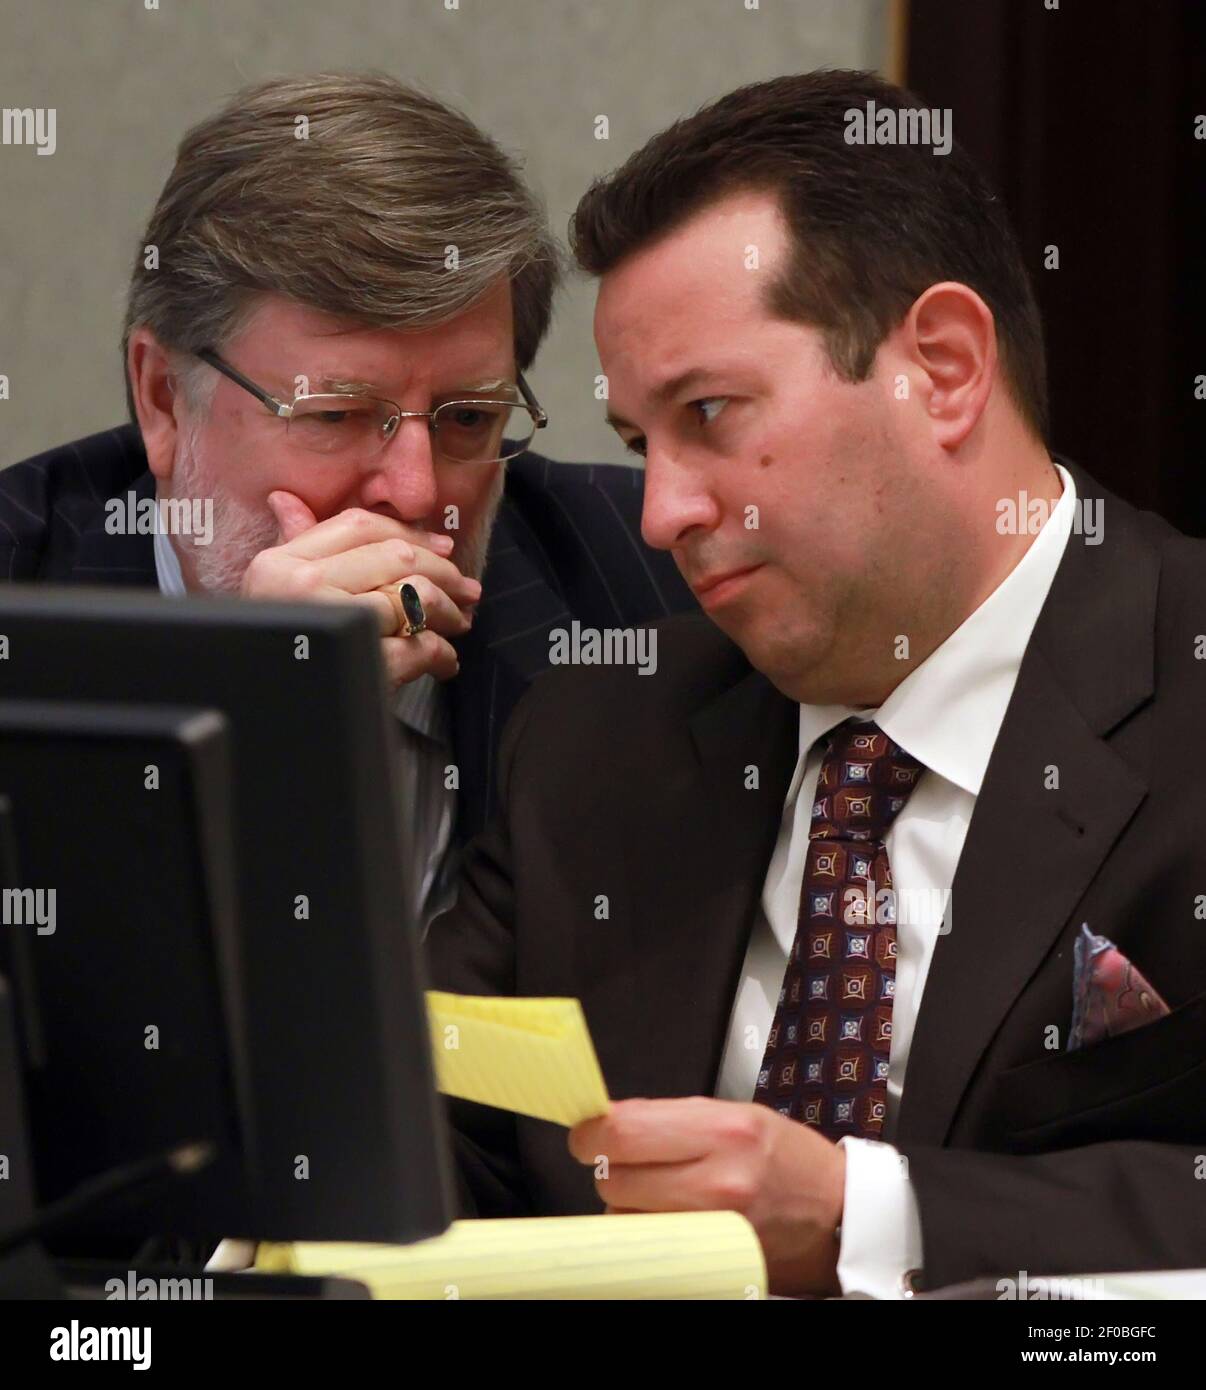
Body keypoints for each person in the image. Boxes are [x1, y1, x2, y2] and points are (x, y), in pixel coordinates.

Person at [426, 69, 1206, 1298]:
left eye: (712, 412)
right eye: (641, 444)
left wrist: (867, 1215)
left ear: (941, 370)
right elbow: (424, 1120)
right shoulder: (596, 740)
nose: (662, 513)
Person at [0, 72, 694, 940]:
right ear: (164, 401)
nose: (416, 491)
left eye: (469, 418)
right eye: (335, 416)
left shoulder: (662, 578)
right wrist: (251, 721)